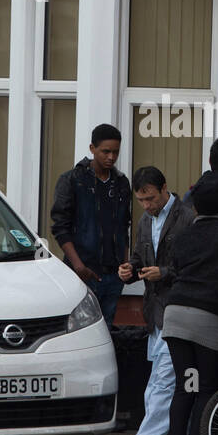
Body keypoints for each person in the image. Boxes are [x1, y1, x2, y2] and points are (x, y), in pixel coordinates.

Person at [160, 184, 218, 435]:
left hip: (176, 315)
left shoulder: (182, 236)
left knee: (185, 387)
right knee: (206, 389)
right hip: (209, 317)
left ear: (194, 208)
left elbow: (175, 268)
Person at [118, 165, 193, 435]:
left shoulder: (187, 218)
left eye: (150, 198)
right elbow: (140, 254)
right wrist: (129, 268)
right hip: (155, 310)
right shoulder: (147, 220)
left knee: (163, 378)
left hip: (178, 307)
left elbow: (192, 265)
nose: (146, 206)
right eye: (141, 201)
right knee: (160, 380)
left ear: (165, 189)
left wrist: (165, 272)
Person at [50, 124, 131, 330]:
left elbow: (124, 226)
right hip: (83, 272)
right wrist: (78, 266)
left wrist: (125, 263)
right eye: (106, 151)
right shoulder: (72, 180)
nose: (111, 157)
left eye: (116, 152)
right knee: (80, 333)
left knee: (106, 332)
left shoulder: (121, 183)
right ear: (92, 148)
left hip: (113, 275)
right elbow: (60, 226)